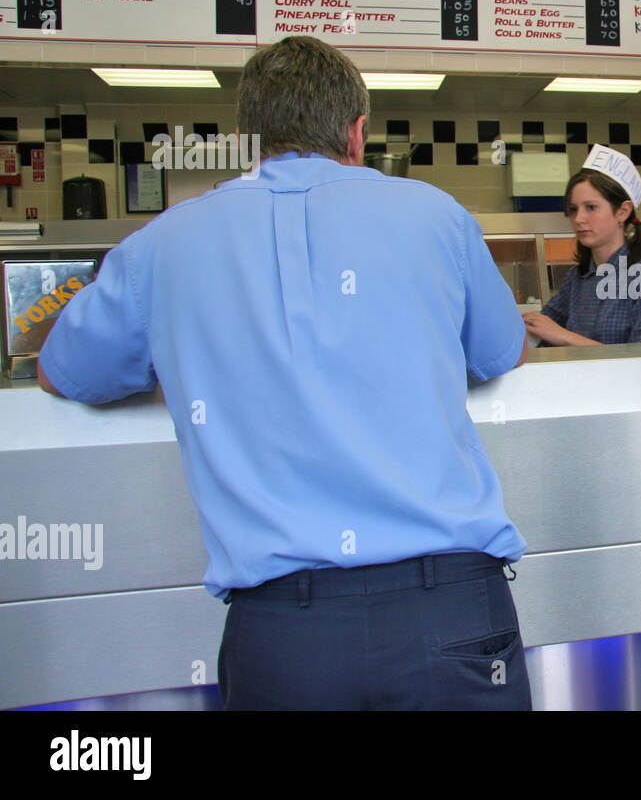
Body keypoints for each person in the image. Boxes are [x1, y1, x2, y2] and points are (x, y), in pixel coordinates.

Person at [36, 36, 533, 710]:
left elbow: (62, 372)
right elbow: (502, 352)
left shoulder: (164, 244)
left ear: (250, 138)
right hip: (452, 617)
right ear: (358, 133)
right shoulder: (438, 216)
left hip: (284, 639)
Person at [523, 145, 641, 346]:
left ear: (623, 211)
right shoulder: (578, 278)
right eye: (573, 209)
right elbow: (542, 325)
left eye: (591, 207)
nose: (579, 219)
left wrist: (563, 336)